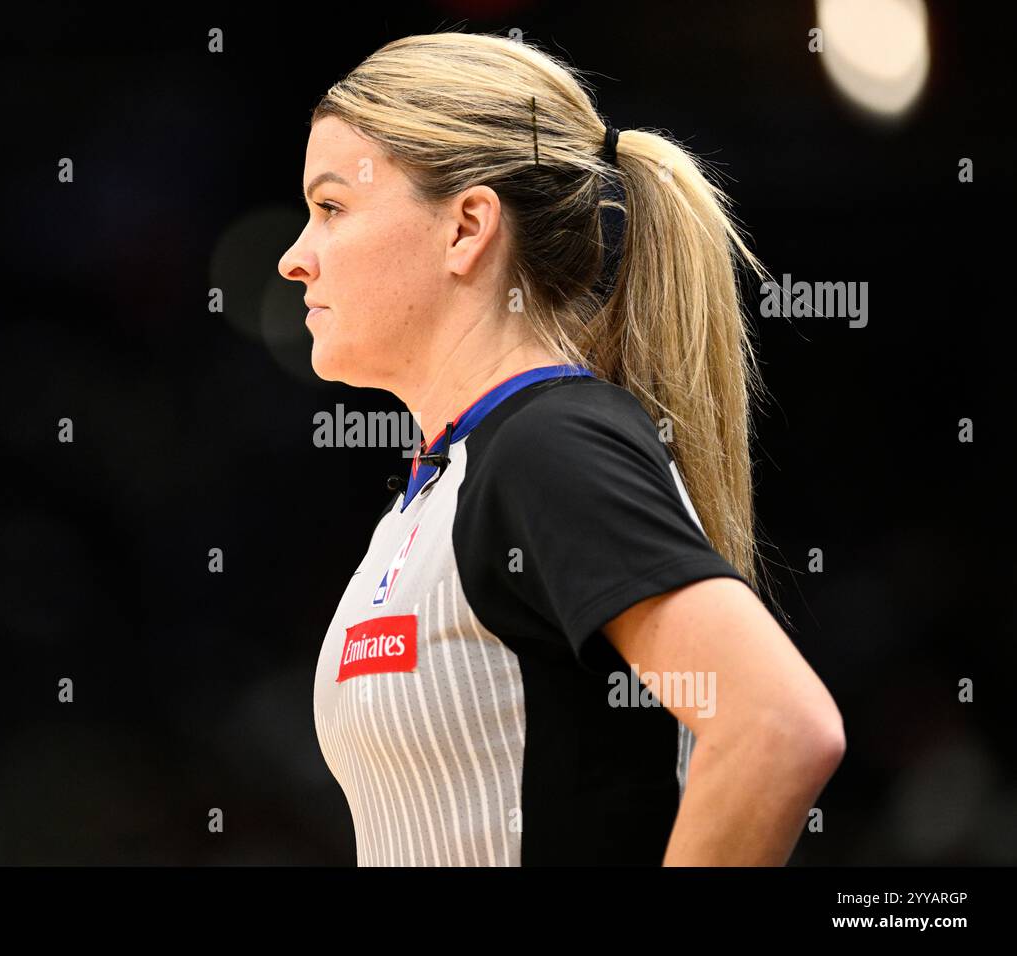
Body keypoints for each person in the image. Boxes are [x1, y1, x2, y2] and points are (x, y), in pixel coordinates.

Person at [278, 32, 844, 866]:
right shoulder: (449, 480)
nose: (295, 257)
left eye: (331, 207)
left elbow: (778, 727)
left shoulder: (549, 444)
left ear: (467, 227)